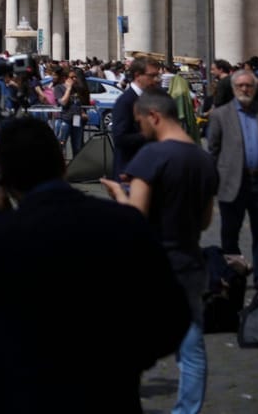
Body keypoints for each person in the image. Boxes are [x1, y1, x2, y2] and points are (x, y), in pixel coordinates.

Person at [0, 116, 189, 414]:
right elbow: (174, 316)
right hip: (107, 394)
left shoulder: (8, 231)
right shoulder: (124, 221)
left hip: (25, 396)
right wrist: (126, 362)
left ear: (5, 180)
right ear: (63, 165)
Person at [102, 89, 218, 414]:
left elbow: (135, 218)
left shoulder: (151, 156)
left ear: (154, 116)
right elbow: (206, 220)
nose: (140, 130)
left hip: (151, 265)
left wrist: (118, 194)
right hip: (190, 260)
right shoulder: (204, 160)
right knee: (191, 348)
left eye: (140, 122)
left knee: (125, 343)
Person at [207, 68, 258, 290]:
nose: (245, 89)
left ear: (255, 88)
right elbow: (213, 149)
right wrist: (213, 181)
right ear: (233, 89)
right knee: (230, 232)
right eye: (240, 85)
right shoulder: (221, 115)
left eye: (249, 85)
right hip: (232, 182)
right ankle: (233, 275)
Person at [110, 57, 161, 176]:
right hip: (129, 169)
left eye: (157, 75)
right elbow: (120, 138)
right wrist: (148, 135)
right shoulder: (126, 101)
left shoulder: (154, 97)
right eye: (152, 76)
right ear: (138, 75)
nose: (156, 80)